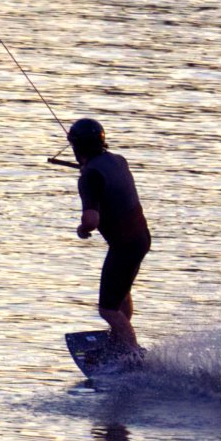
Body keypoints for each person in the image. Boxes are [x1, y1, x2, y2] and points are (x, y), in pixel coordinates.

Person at [67, 117, 150, 354]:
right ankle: (121, 341)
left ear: (77, 147)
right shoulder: (118, 160)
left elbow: (91, 220)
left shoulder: (89, 178)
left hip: (124, 246)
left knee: (108, 309)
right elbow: (109, 179)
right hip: (141, 239)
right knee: (121, 293)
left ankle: (132, 356)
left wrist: (83, 230)